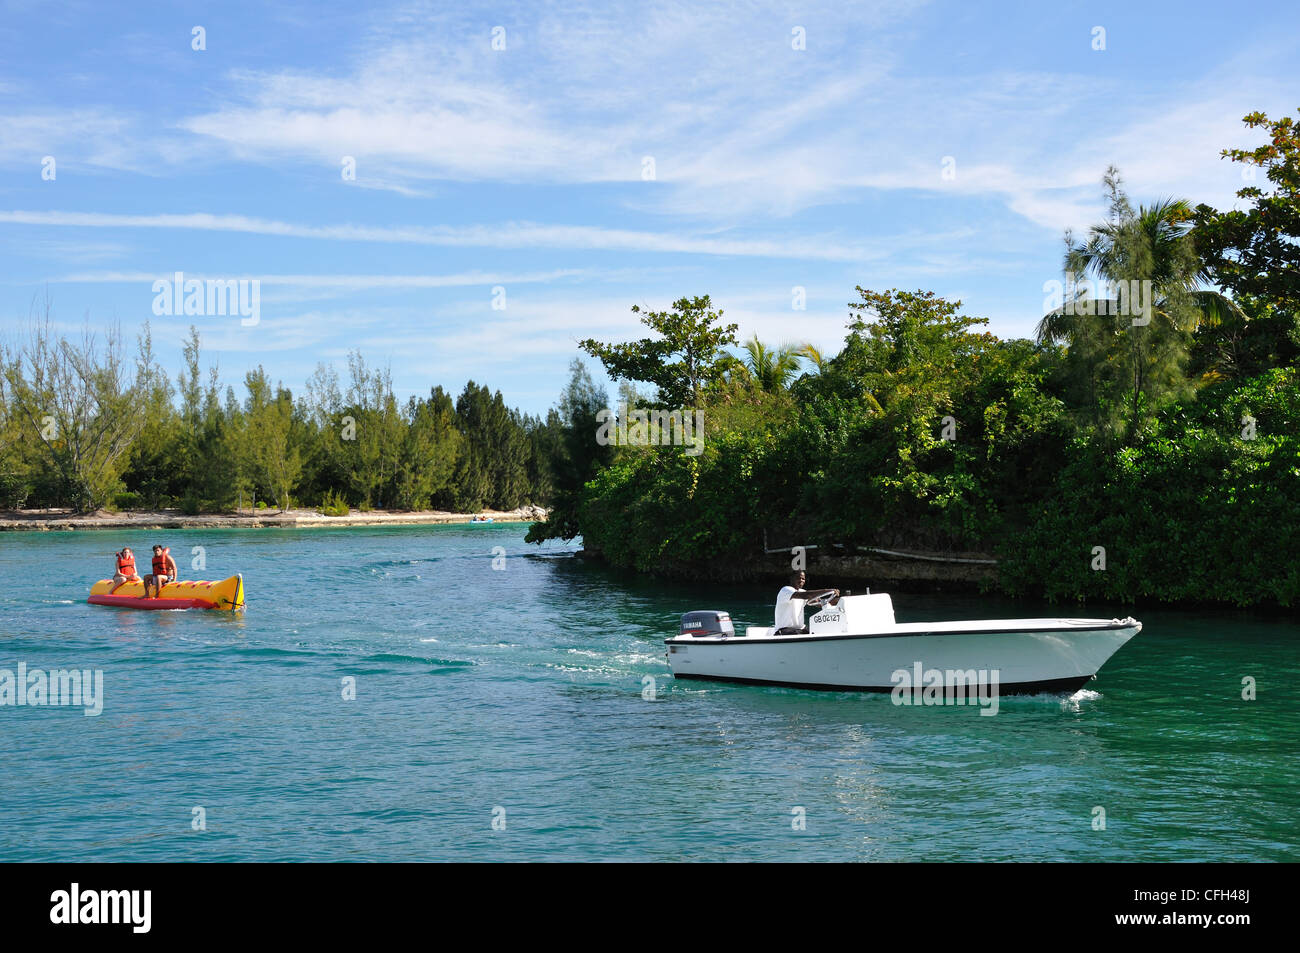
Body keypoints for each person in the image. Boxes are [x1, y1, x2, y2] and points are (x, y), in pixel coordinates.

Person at [774, 570, 839, 635]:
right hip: (784, 630)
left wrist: (838, 600)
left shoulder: (802, 591)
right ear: (792, 579)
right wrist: (827, 590)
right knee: (800, 634)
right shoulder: (786, 590)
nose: (801, 580)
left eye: (803, 579)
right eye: (798, 578)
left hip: (800, 629)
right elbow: (806, 595)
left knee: (818, 631)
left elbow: (819, 602)